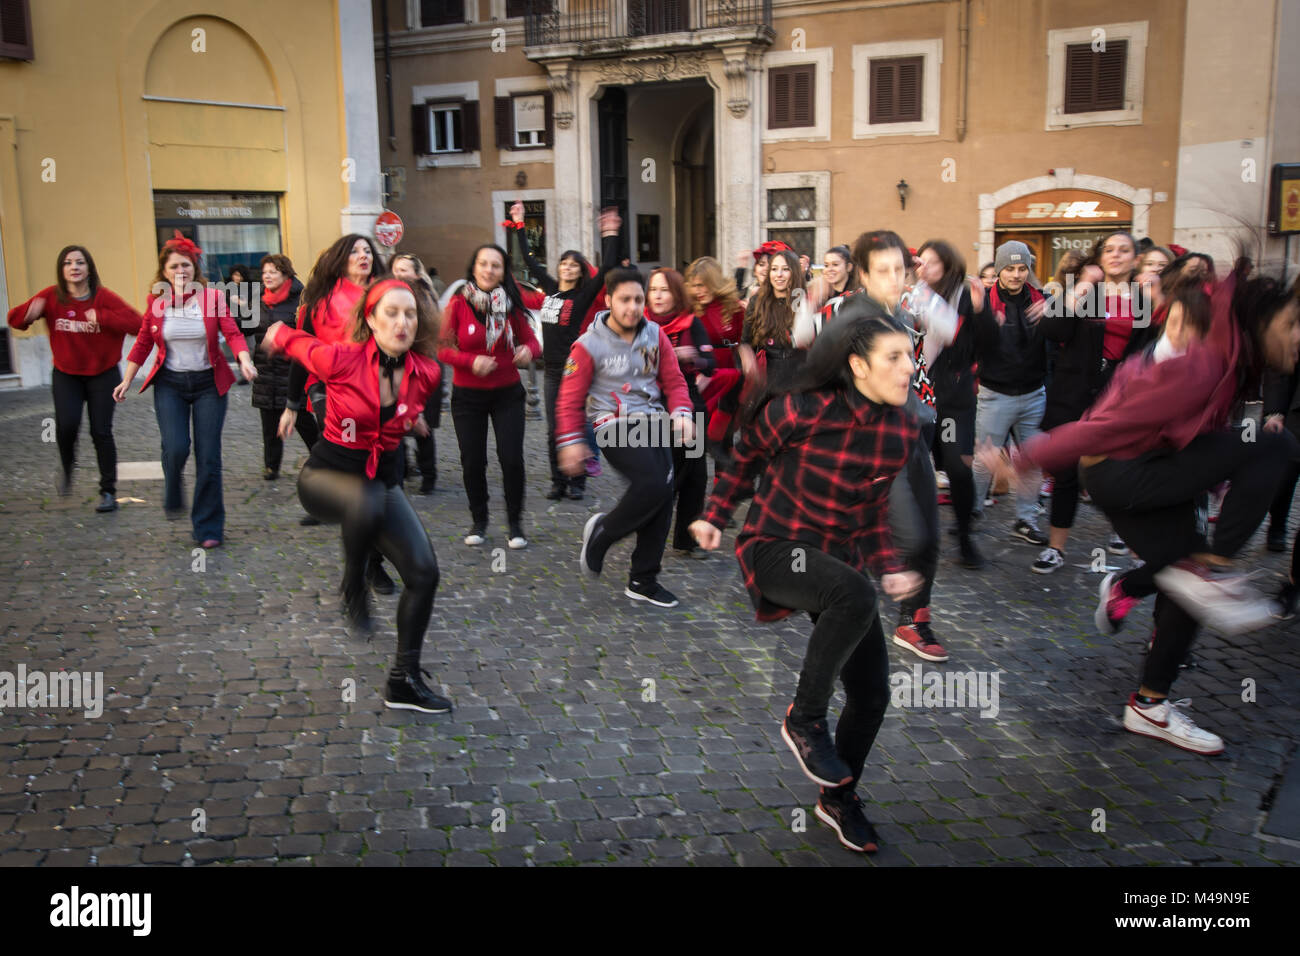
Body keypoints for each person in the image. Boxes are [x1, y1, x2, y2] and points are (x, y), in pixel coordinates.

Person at [980, 261, 1300, 754]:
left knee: (1187, 587)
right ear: (1264, 321)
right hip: (1121, 473)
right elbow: (1100, 428)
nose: (1299, 337)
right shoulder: (1199, 365)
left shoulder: (1229, 356)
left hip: (1143, 469)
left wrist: (1214, 473)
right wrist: (1024, 458)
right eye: (1294, 325)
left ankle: (1148, 705)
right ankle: (1212, 568)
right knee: (1274, 449)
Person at [690, 299, 922, 854]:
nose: (908, 367)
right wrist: (715, 516)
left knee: (872, 693)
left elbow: (871, 509)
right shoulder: (802, 410)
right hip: (776, 548)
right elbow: (743, 457)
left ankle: (838, 800)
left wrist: (890, 566)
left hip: (841, 565)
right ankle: (805, 718)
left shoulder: (901, 428)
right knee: (852, 590)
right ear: (858, 365)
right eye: (894, 357)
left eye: (910, 356)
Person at [262, 279, 450, 714]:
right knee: (363, 498)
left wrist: (415, 421)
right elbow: (299, 342)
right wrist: (276, 334)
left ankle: (403, 680)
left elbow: (412, 412)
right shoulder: (342, 358)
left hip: (378, 483)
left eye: (410, 314)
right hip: (324, 478)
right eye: (391, 313)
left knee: (424, 573)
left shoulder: (427, 373)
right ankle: (353, 584)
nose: (402, 322)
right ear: (370, 318)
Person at [559, 268, 695, 607]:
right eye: (625, 300)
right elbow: (568, 400)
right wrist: (571, 442)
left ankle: (643, 579)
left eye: (638, 299)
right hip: (613, 423)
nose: (633, 307)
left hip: (655, 423)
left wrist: (682, 414)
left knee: (665, 493)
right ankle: (603, 533)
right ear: (608, 301)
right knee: (652, 484)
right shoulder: (587, 346)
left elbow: (675, 383)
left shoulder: (656, 335)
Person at [113, 233, 257, 548]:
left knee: (208, 457)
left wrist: (245, 360)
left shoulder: (212, 298)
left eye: (187, 264)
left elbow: (231, 333)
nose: (181, 270)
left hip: (208, 384)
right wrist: (127, 379)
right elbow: (143, 342)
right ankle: (173, 481)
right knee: (176, 447)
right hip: (170, 384)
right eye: (175, 265)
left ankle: (208, 528)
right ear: (164, 272)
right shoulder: (157, 301)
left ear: (195, 268)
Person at [1033, 231, 1156, 574]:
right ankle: (1055, 548)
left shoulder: (1143, 297)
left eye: (1124, 250)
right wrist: (1081, 288)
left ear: (1135, 258)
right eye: (1109, 250)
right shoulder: (1087, 292)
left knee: (1122, 470)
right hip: (1074, 394)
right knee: (1066, 473)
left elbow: (1154, 348)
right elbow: (1052, 331)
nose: (1116, 255)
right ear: (1099, 258)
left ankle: (1133, 544)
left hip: (1122, 398)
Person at [7, 245, 144, 512]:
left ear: (89, 268)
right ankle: (68, 466)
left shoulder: (103, 298)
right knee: (67, 426)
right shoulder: (51, 296)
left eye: (80, 262)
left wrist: (102, 317)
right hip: (66, 375)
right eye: (68, 263)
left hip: (103, 375)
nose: (74, 267)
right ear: (62, 270)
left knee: (100, 431)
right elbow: (14, 319)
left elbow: (137, 324)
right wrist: (28, 314)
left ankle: (107, 491)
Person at [511, 201, 622, 501]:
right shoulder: (550, 289)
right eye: (564, 263)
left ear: (580, 270)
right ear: (559, 267)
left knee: (573, 424)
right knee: (552, 430)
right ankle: (558, 481)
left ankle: (578, 482)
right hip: (551, 369)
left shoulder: (583, 295)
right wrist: (520, 225)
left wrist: (610, 232)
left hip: (575, 369)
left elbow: (609, 268)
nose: (568, 267)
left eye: (574, 264)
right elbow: (530, 262)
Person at [439, 242, 543, 548]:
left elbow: (532, 342)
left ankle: (515, 523)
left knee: (511, 459)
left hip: (507, 394)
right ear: (474, 267)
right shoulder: (458, 304)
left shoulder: (511, 303)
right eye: (483, 263)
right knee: (472, 461)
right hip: (467, 396)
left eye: (495, 265)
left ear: (503, 271)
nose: (489, 270)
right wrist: (469, 361)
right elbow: (441, 348)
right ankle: (479, 521)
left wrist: (528, 351)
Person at [969, 240, 1050, 546]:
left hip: (1033, 392)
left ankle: (1026, 519)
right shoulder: (984, 303)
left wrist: (1055, 314)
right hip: (995, 392)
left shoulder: (1042, 298)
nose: (1016, 275)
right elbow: (969, 343)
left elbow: (1059, 339)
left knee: (1031, 459)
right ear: (1000, 269)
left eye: (1022, 268)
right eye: (1010, 269)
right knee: (983, 459)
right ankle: (973, 512)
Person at [915, 239, 989, 570]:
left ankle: (964, 536)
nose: (924, 267)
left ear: (947, 264)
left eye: (931, 262)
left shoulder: (963, 294)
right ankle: (911, 540)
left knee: (957, 467)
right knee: (915, 469)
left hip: (953, 399)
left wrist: (980, 310)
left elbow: (985, 342)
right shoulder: (910, 293)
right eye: (921, 261)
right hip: (917, 394)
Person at [647, 267, 716, 558]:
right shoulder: (639, 323)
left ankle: (687, 539)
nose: (658, 296)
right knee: (666, 473)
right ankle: (649, 525)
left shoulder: (691, 323)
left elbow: (710, 363)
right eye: (653, 290)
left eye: (664, 290)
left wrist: (694, 357)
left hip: (689, 402)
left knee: (696, 473)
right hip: (650, 404)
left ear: (676, 294)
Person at [248, 254, 317, 480]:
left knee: (305, 422)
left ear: (285, 274)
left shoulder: (300, 299)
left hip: (293, 370)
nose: (267, 276)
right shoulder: (258, 299)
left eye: (273, 272)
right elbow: (248, 330)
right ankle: (271, 466)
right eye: (265, 272)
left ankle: (321, 458)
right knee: (269, 424)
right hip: (266, 370)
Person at [391, 253, 444, 495]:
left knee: (422, 426)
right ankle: (402, 472)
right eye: (395, 269)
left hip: (422, 367)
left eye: (404, 270)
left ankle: (428, 476)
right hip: (398, 365)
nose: (398, 274)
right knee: (396, 423)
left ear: (416, 273)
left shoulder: (423, 297)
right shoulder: (393, 294)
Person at [685, 256, 745, 454]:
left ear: (714, 283)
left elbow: (742, 338)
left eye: (703, 285)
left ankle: (723, 479)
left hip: (729, 372)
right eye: (694, 286)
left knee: (724, 434)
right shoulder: (690, 309)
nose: (698, 291)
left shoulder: (733, 307)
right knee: (699, 432)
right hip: (702, 374)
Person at [739, 247, 813, 393]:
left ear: (794, 272)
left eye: (785, 269)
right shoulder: (757, 301)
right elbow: (745, 342)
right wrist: (746, 356)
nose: (779, 275)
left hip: (799, 376)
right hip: (768, 377)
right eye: (774, 269)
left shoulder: (802, 299)